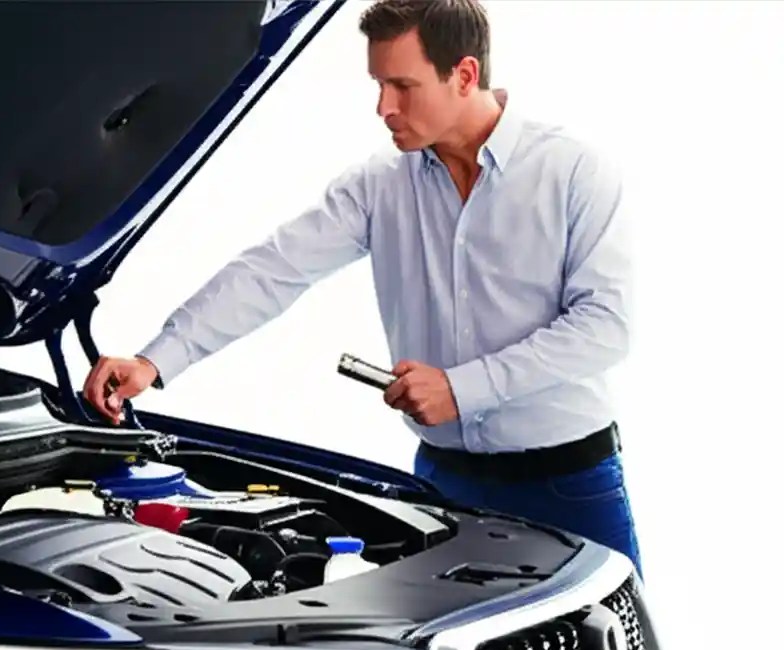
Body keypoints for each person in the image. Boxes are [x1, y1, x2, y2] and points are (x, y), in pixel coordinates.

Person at [80, 0, 642, 576]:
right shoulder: (380, 186)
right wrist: (156, 359)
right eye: (378, 84)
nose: (383, 107)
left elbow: (604, 327)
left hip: (571, 486)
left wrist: (463, 387)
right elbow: (273, 269)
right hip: (444, 487)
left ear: (465, 75)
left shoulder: (574, 171)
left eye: (403, 85)